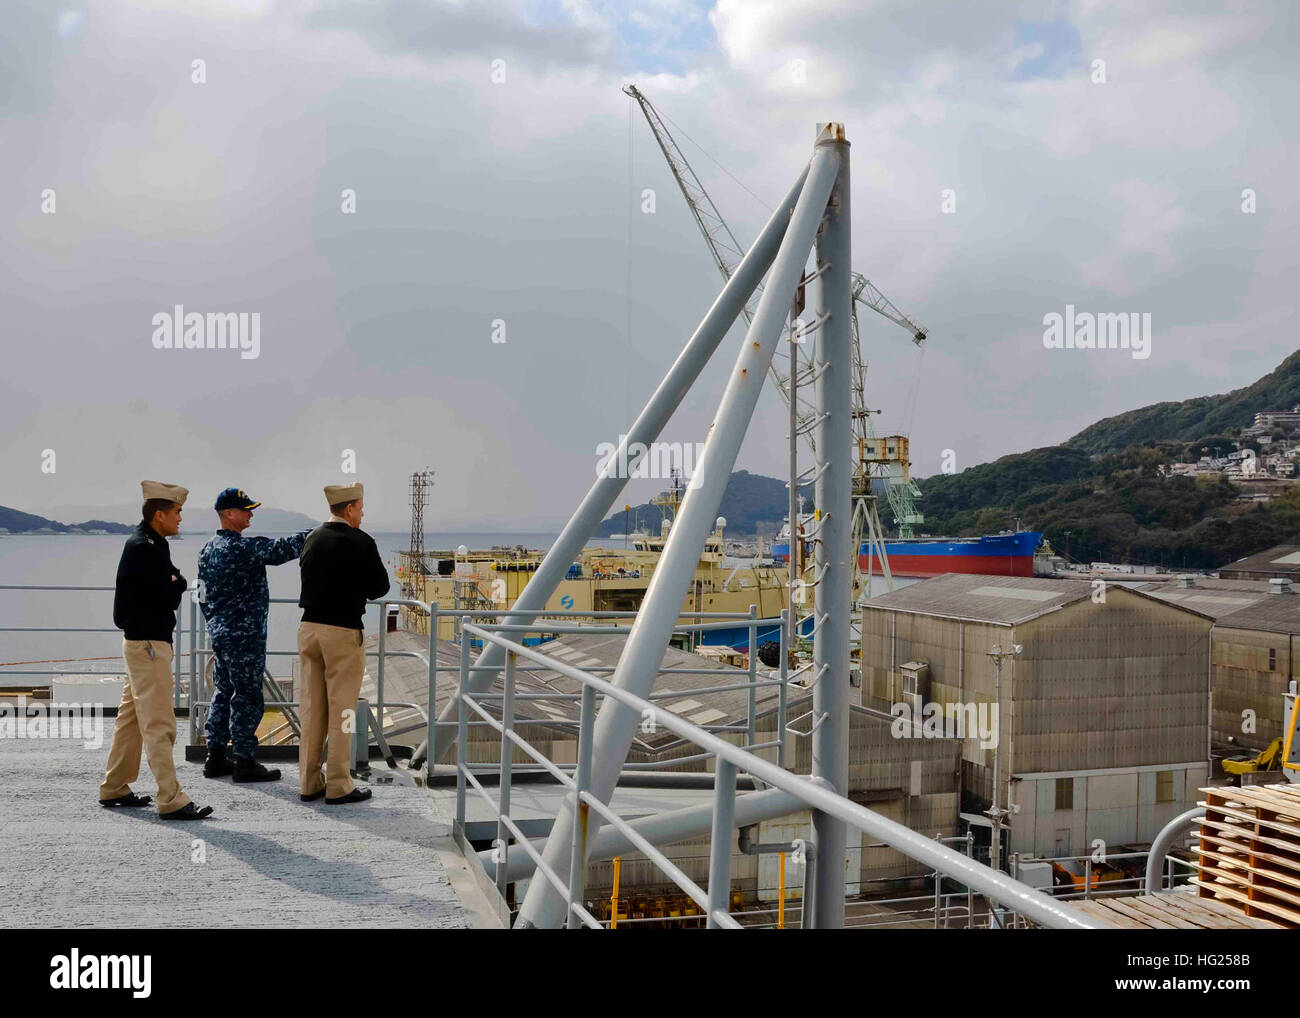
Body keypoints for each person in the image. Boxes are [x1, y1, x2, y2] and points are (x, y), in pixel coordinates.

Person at [99, 481, 212, 820]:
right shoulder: (145, 547)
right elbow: (169, 591)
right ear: (160, 514)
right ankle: (171, 798)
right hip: (148, 644)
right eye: (177, 512)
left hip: (143, 642)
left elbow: (174, 580)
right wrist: (174, 586)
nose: (180, 518)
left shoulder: (151, 543)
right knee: (159, 723)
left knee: (131, 720)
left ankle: (115, 786)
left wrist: (173, 584)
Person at [198, 487, 310, 782]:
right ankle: (245, 761)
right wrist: (315, 533)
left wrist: (214, 623)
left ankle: (215, 755)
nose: (251, 514)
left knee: (224, 691)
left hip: (221, 634)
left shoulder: (207, 549)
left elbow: (202, 594)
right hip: (244, 637)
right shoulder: (238, 548)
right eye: (245, 509)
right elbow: (278, 550)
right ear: (228, 514)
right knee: (247, 695)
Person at [296, 482, 390, 804]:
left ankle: (309, 782)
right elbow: (380, 588)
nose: (362, 513)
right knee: (343, 711)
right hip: (343, 632)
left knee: (312, 709)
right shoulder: (362, 542)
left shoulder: (312, 538)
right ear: (349, 508)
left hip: (308, 630)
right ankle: (338, 784)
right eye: (361, 507)